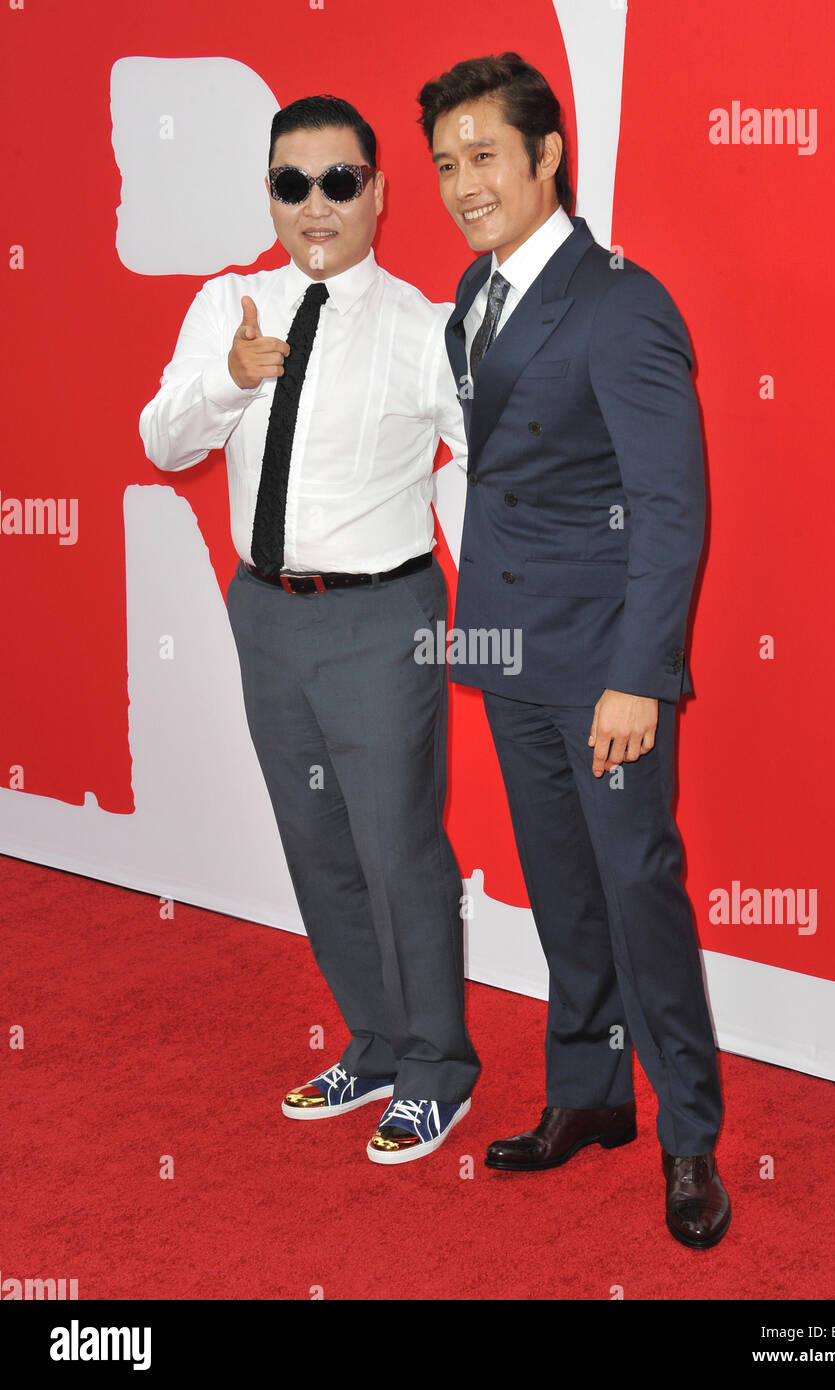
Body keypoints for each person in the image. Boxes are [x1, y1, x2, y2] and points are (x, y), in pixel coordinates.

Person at [417, 54, 730, 1244]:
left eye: (484, 154)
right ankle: (591, 1095)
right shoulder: (469, 291)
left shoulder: (622, 302)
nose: (462, 183)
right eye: (446, 163)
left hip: (604, 671)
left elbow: (669, 507)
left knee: (637, 892)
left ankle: (689, 1138)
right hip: (507, 652)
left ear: (548, 157)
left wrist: (638, 675)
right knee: (560, 894)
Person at [140, 95, 478, 1166]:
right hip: (266, 615)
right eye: (293, 184)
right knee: (318, 843)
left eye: (340, 182)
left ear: (376, 192)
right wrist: (226, 382)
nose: (316, 205)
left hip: (384, 618)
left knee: (397, 848)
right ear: (271, 195)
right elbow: (159, 439)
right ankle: (376, 1043)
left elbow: (495, 461)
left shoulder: (427, 327)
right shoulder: (229, 305)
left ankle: (438, 1068)